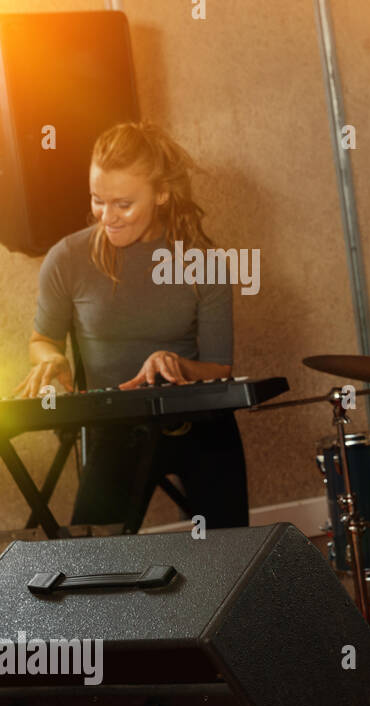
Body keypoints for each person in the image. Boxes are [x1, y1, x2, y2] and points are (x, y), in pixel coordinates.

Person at [13, 121, 248, 533]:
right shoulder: (66, 259)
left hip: (196, 423)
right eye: (98, 200)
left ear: (161, 193)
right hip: (115, 431)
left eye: (124, 204)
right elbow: (43, 339)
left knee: (231, 553)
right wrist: (51, 360)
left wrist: (175, 363)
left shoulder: (202, 263)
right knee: (96, 562)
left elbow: (219, 369)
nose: (108, 216)